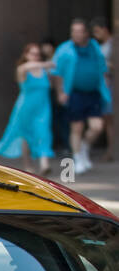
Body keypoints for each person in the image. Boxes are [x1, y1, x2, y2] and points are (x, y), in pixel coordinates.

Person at [53, 18, 111, 174]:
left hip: (93, 92)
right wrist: (60, 92)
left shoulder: (94, 46)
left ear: (86, 33)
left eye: (79, 31)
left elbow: (102, 66)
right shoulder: (65, 49)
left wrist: (105, 82)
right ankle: (77, 158)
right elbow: (57, 73)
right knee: (76, 127)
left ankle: (84, 147)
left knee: (97, 126)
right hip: (74, 93)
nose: (76, 34)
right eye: (73, 31)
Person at [0, 43, 54, 174]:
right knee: (26, 135)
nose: (36, 57)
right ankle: (28, 166)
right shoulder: (23, 69)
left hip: (43, 107)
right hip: (25, 108)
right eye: (33, 54)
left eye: (38, 54)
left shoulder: (44, 70)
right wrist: (46, 63)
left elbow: (53, 79)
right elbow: (26, 67)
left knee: (43, 132)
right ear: (26, 55)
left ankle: (44, 163)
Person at [92, 18, 113, 160]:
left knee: (109, 120)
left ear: (104, 29)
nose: (95, 35)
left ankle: (111, 151)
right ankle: (111, 151)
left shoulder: (113, 45)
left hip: (111, 86)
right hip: (104, 86)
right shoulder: (101, 46)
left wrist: (104, 65)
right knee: (107, 120)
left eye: (97, 31)